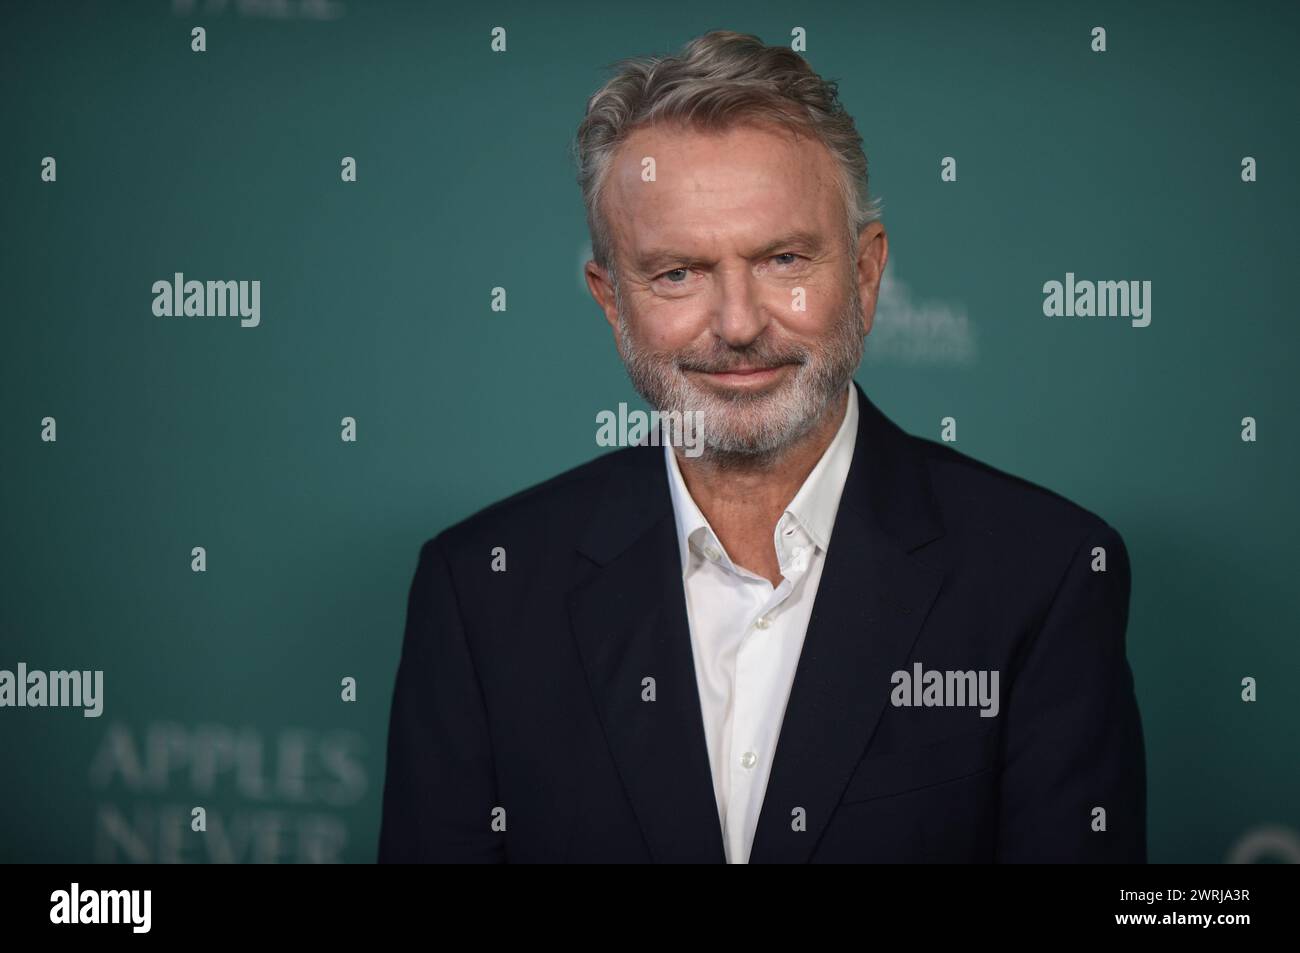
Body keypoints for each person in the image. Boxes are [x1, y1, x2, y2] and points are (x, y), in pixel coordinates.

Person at [378, 30, 1146, 863]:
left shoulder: (1046, 574)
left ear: (864, 273)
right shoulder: (481, 590)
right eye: (678, 272)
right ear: (610, 300)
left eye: (784, 259)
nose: (739, 324)